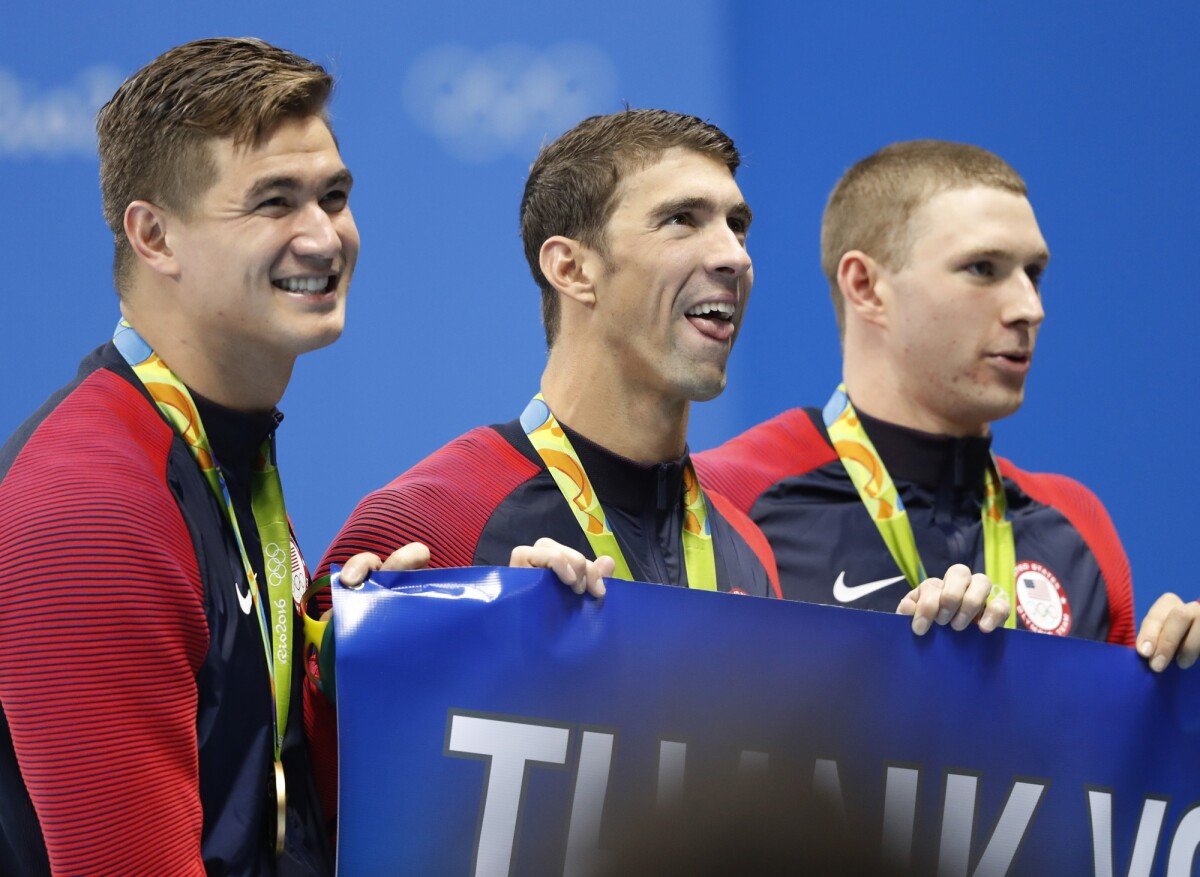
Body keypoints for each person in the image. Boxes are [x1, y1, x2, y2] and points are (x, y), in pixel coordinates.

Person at [0, 37, 382, 875]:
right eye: (274, 203)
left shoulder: (215, 450)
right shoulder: (93, 508)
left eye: (334, 196)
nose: (324, 238)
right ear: (155, 236)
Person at [696, 140, 1200, 669]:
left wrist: (1179, 696)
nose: (1030, 308)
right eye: (983, 268)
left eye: (1034, 273)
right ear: (866, 287)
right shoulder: (725, 498)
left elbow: (1106, 726)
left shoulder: (1078, 524)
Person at [319, 109, 784, 599]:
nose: (735, 256)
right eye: (681, 220)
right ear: (571, 269)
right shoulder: (424, 524)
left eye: (736, 225)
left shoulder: (748, 544)